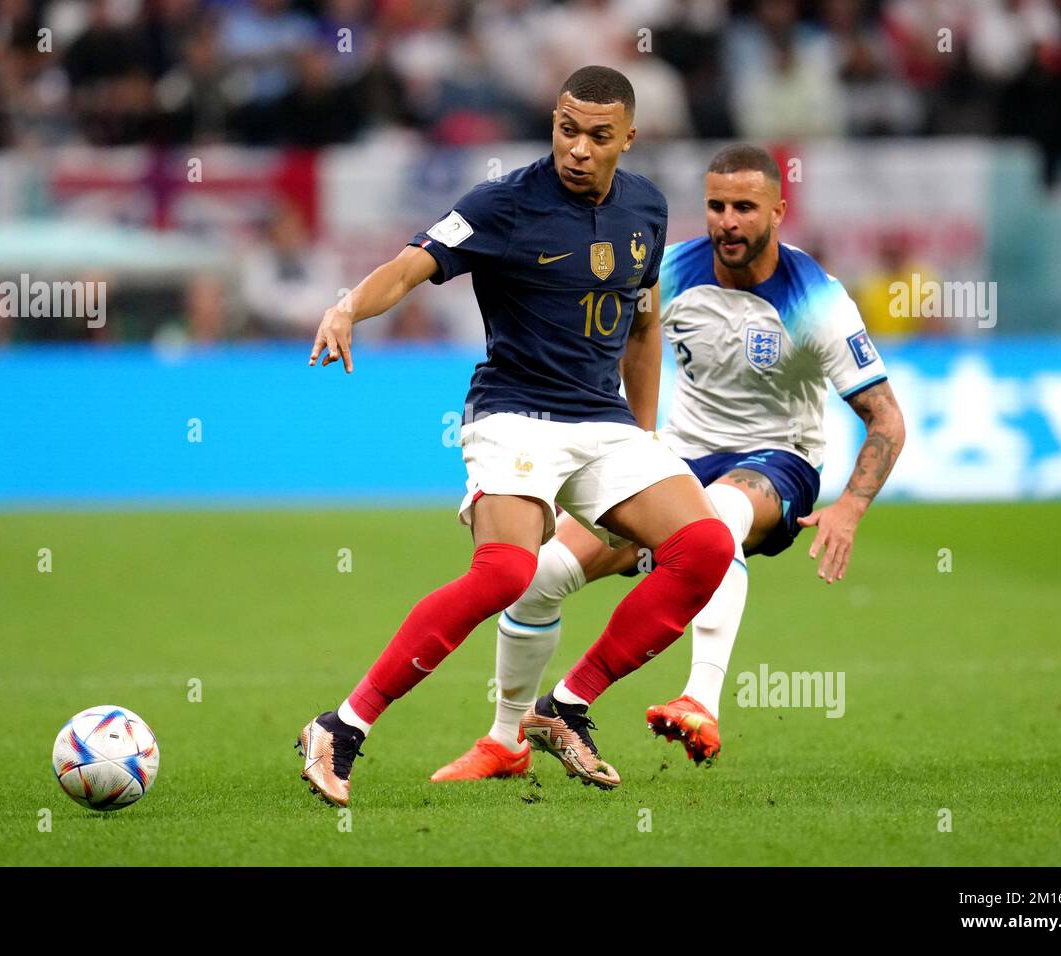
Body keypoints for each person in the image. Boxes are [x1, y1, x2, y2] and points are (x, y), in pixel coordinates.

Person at [297, 65, 735, 807]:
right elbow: (408, 268)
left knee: (708, 548)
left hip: (602, 421)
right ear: (553, 125)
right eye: (568, 129)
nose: (580, 149)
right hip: (515, 412)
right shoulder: (504, 206)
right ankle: (341, 726)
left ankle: (564, 706)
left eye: (600, 136)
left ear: (628, 138)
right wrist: (347, 307)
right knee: (505, 573)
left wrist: (647, 434)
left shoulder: (647, 209)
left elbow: (644, 324)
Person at [431, 144, 906, 781]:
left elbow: (887, 419)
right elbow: (621, 342)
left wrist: (849, 507)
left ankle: (697, 700)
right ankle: (506, 739)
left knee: (718, 518)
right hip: (676, 457)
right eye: (716, 206)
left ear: (778, 211)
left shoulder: (816, 299)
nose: (727, 221)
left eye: (744, 207)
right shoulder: (671, 272)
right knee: (539, 577)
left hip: (779, 463)